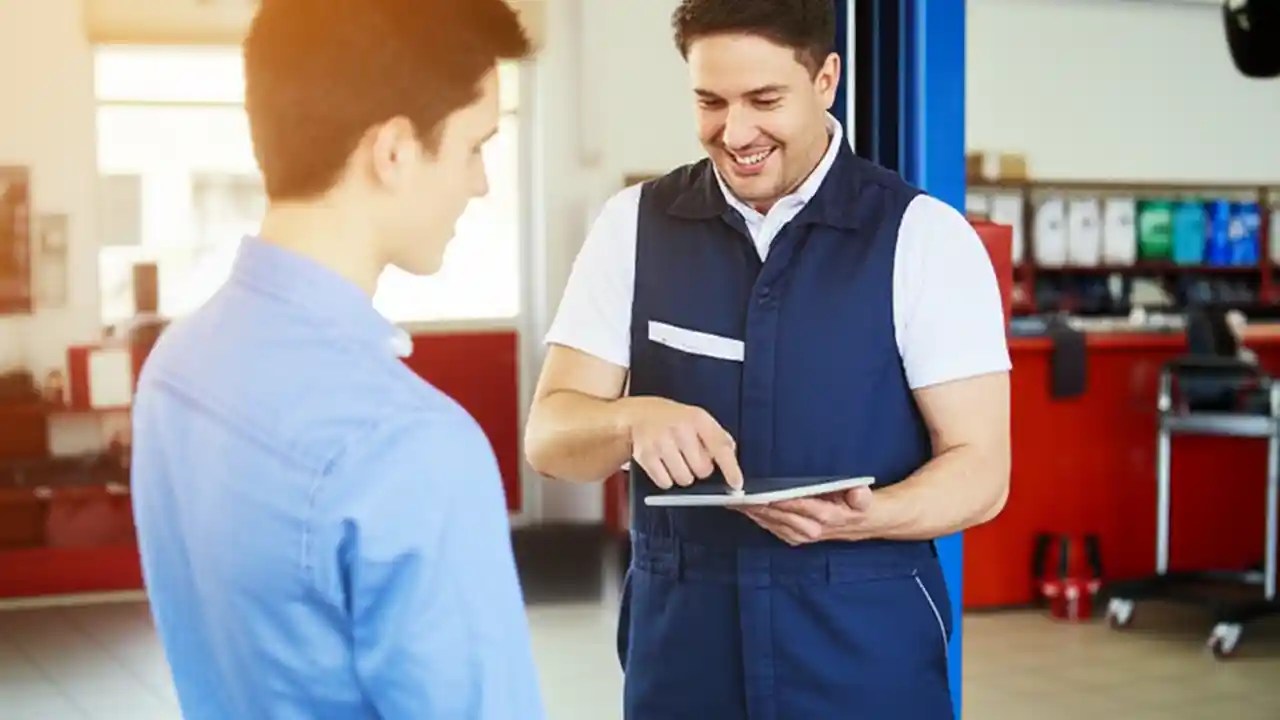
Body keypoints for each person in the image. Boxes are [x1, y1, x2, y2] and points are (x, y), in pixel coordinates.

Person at [525, 0, 1011, 717]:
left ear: (826, 80)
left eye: (764, 100)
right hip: (685, 654)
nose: (736, 131)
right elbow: (549, 439)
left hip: (863, 649)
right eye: (710, 101)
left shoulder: (924, 239)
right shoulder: (634, 227)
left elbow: (982, 471)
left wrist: (868, 516)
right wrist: (631, 419)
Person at [129, 1, 543, 718]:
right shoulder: (412, 445)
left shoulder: (175, 367)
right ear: (393, 152)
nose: (480, 184)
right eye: (475, 147)